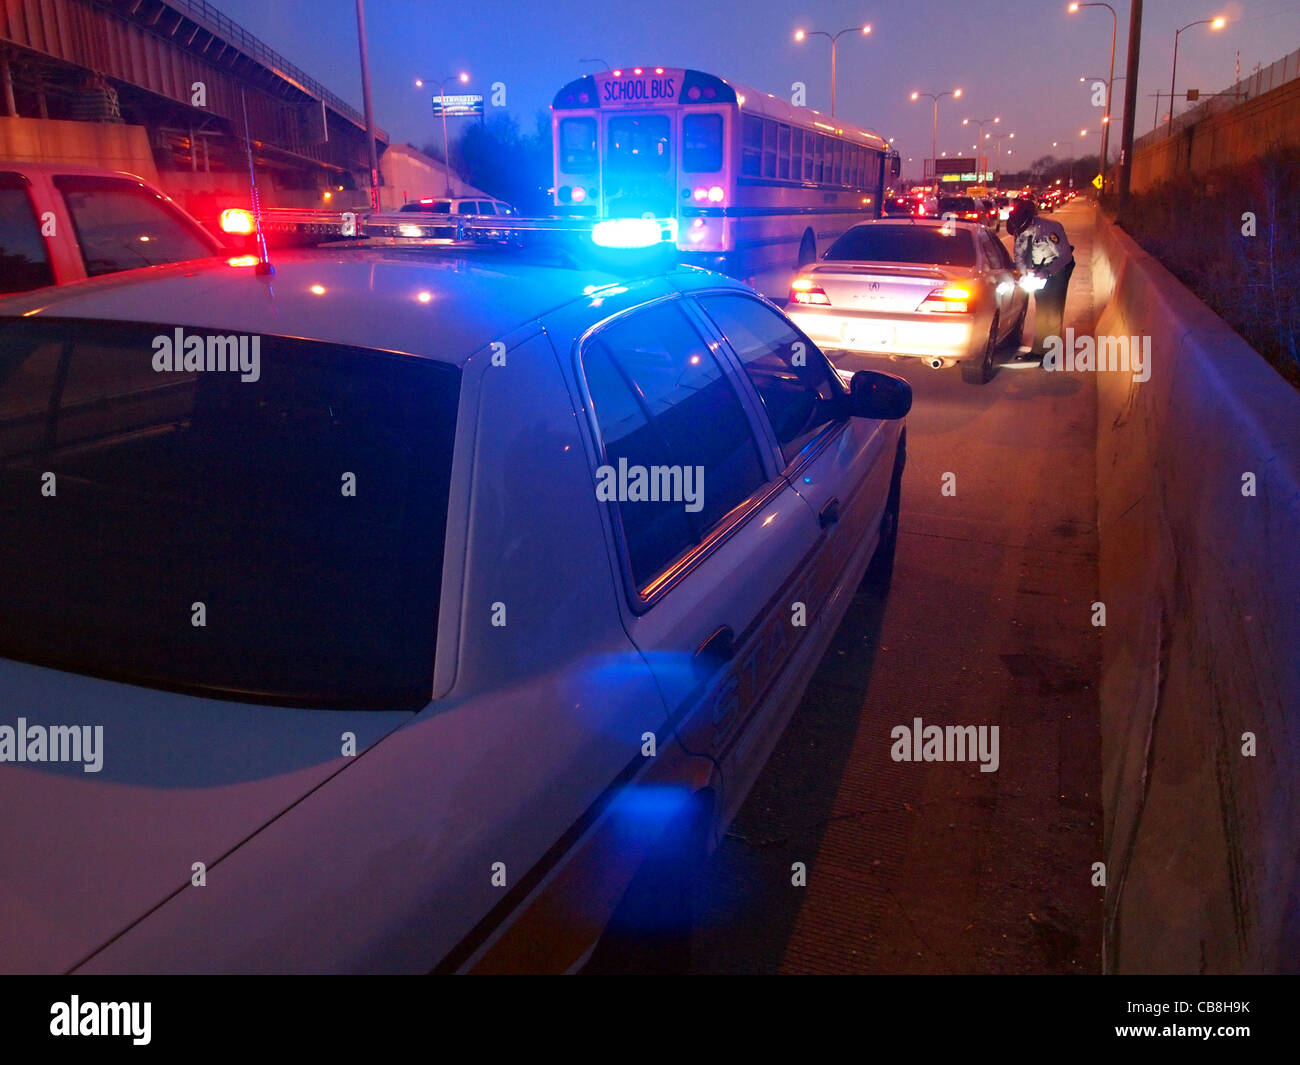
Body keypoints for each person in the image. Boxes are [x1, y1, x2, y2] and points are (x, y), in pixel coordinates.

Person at [1007, 199, 1074, 358]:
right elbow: (1019, 254)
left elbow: (1065, 256)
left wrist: (1047, 272)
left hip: (1058, 267)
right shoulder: (1020, 231)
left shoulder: (1048, 230)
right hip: (1038, 270)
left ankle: (1051, 353)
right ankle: (1038, 350)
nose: (1020, 234)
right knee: (1042, 308)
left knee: (1053, 310)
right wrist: (1024, 274)